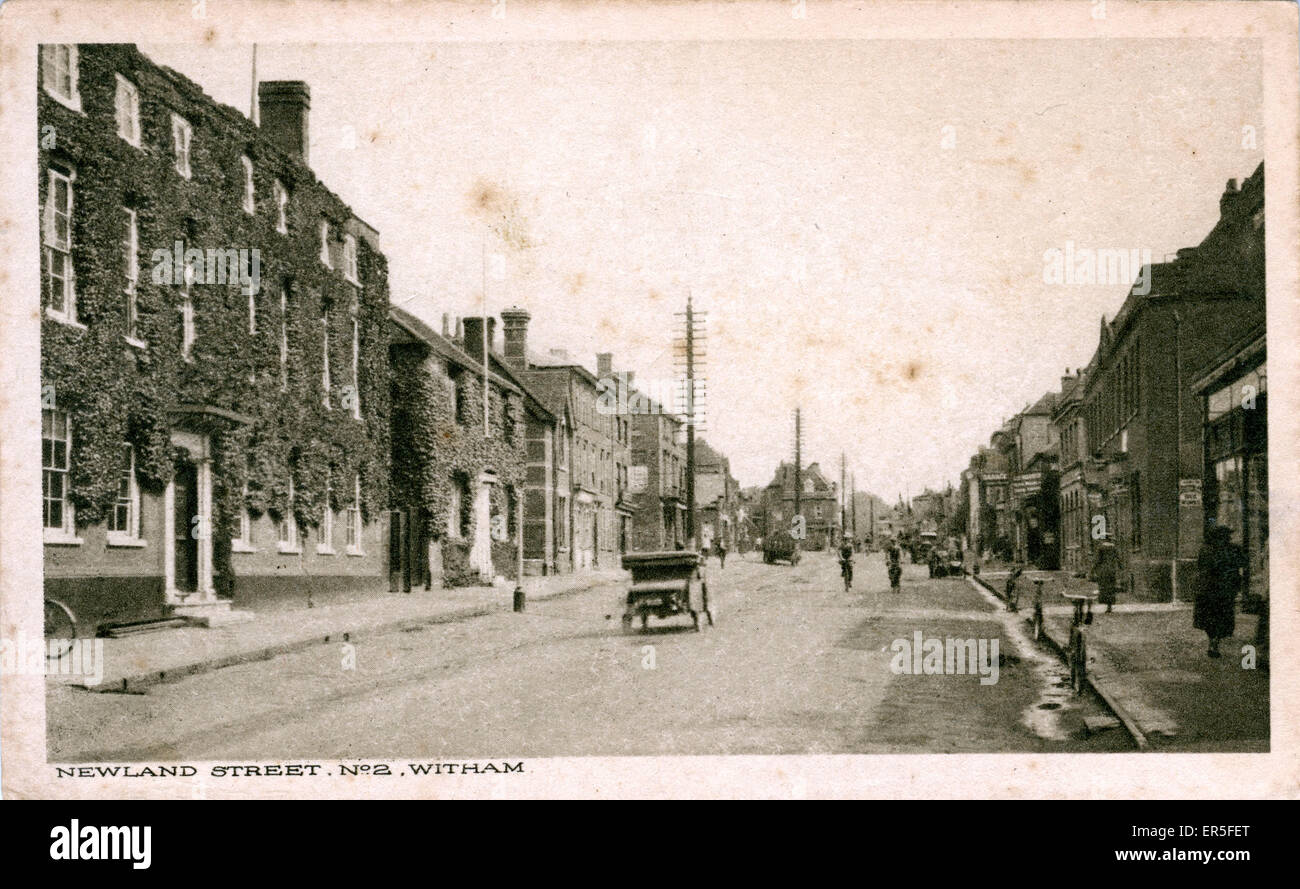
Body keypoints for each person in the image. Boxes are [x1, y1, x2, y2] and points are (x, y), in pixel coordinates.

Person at [1194, 525, 1245, 658]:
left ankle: (1213, 641)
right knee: (1222, 617)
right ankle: (1215, 641)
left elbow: (1200, 567)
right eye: (1227, 535)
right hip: (1223, 589)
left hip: (1208, 590)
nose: (1228, 537)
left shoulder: (1205, 549)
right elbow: (1241, 564)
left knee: (1209, 618)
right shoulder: (1233, 549)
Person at [1088, 540, 1120, 618]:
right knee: (1111, 588)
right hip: (1112, 570)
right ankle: (1109, 606)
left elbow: (1097, 561)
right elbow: (1118, 559)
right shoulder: (1114, 548)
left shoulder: (1101, 548)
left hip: (1103, 571)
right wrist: (1120, 568)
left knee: (1104, 587)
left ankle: (1106, 605)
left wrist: (1092, 570)